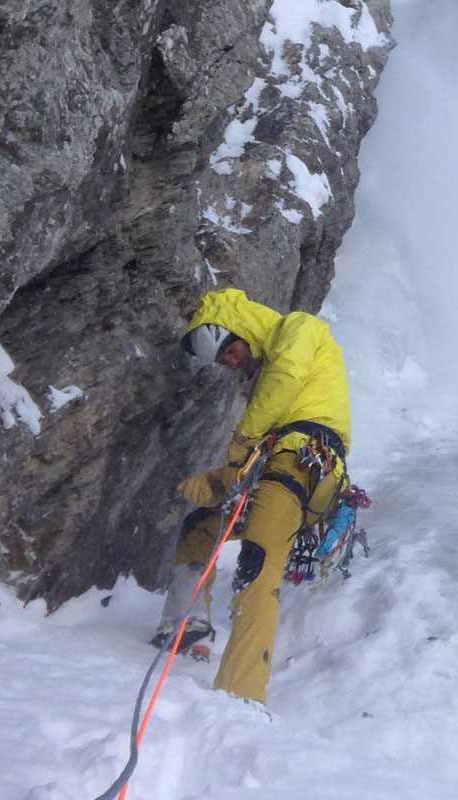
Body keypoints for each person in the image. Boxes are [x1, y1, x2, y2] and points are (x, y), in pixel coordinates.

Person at [156, 287, 352, 703]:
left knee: (257, 565)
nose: (230, 363)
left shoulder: (299, 328)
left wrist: (241, 443)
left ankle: (240, 695)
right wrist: (217, 479)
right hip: (283, 466)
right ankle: (184, 625)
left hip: (301, 461)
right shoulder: (271, 378)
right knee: (201, 525)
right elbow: (259, 451)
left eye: (229, 350)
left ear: (239, 329)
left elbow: (285, 381)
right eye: (223, 360)